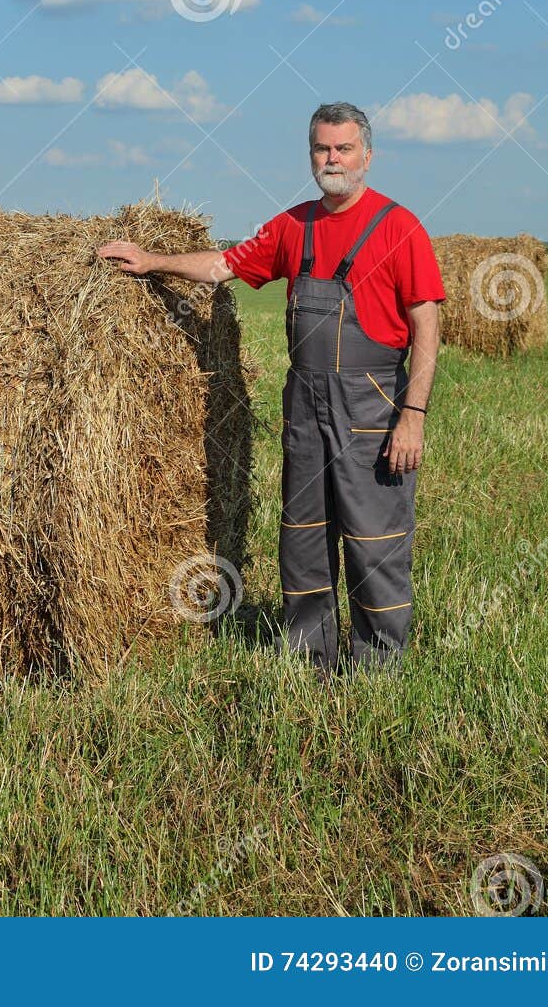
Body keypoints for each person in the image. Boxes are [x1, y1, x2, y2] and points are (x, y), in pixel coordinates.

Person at [97, 101, 446, 674]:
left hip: (374, 400)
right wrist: (151, 260)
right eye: (322, 148)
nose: (332, 159)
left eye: (344, 148)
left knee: (374, 538)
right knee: (303, 536)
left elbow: (426, 324)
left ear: (367, 155)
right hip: (305, 402)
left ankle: (379, 667)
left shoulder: (398, 227)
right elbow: (222, 266)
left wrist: (413, 412)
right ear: (311, 153)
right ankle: (311, 660)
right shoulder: (294, 225)